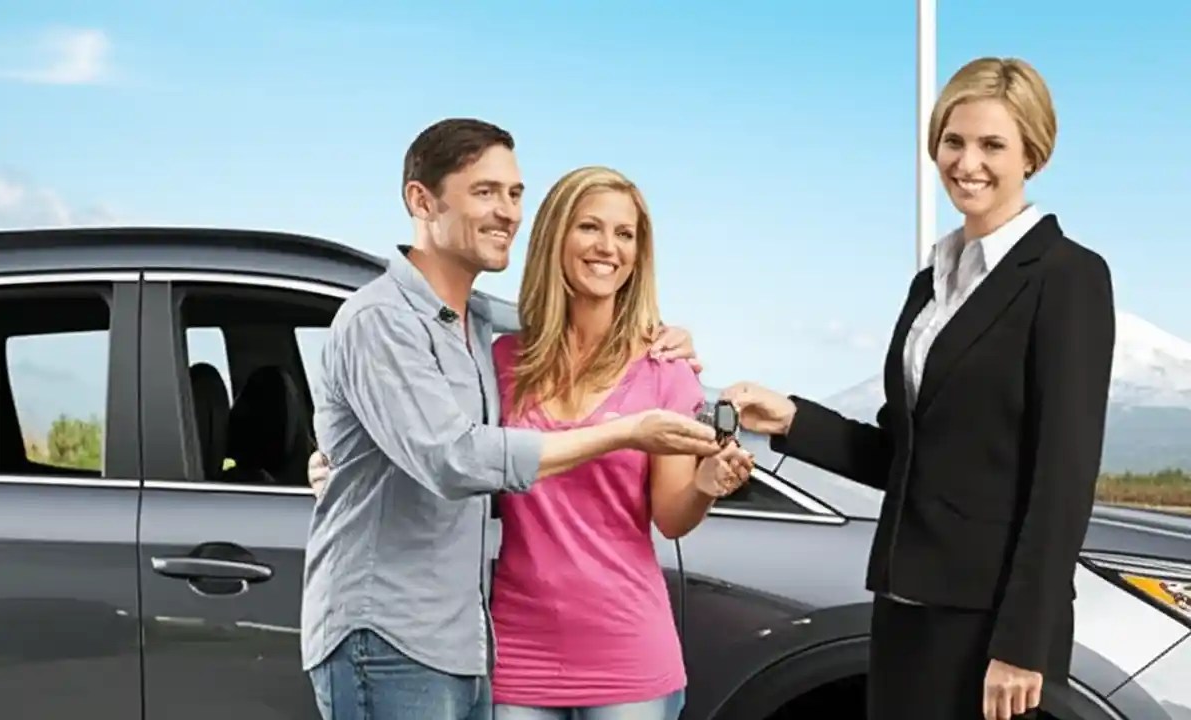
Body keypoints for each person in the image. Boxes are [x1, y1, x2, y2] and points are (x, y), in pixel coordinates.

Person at [720, 57, 1115, 720]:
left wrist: (1022, 644)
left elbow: (1063, 482)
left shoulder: (1067, 276)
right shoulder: (931, 285)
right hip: (904, 607)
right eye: (953, 141)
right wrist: (790, 419)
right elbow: (907, 457)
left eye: (992, 145)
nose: (967, 162)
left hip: (992, 626)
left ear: (1032, 155)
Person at [301, 117, 723, 720]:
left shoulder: (474, 327)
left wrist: (660, 342)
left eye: (515, 193)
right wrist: (626, 431)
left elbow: (560, 325)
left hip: (467, 642)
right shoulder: (388, 322)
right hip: (397, 636)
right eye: (484, 191)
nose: (505, 211)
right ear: (421, 201)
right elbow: (456, 459)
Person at [485, 165, 754, 720]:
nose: (608, 247)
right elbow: (451, 459)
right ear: (555, 236)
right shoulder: (500, 363)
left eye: (625, 234)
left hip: (629, 657)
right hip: (517, 652)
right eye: (590, 227)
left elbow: (671, 518)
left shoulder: (664, 370)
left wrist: (706, 484)